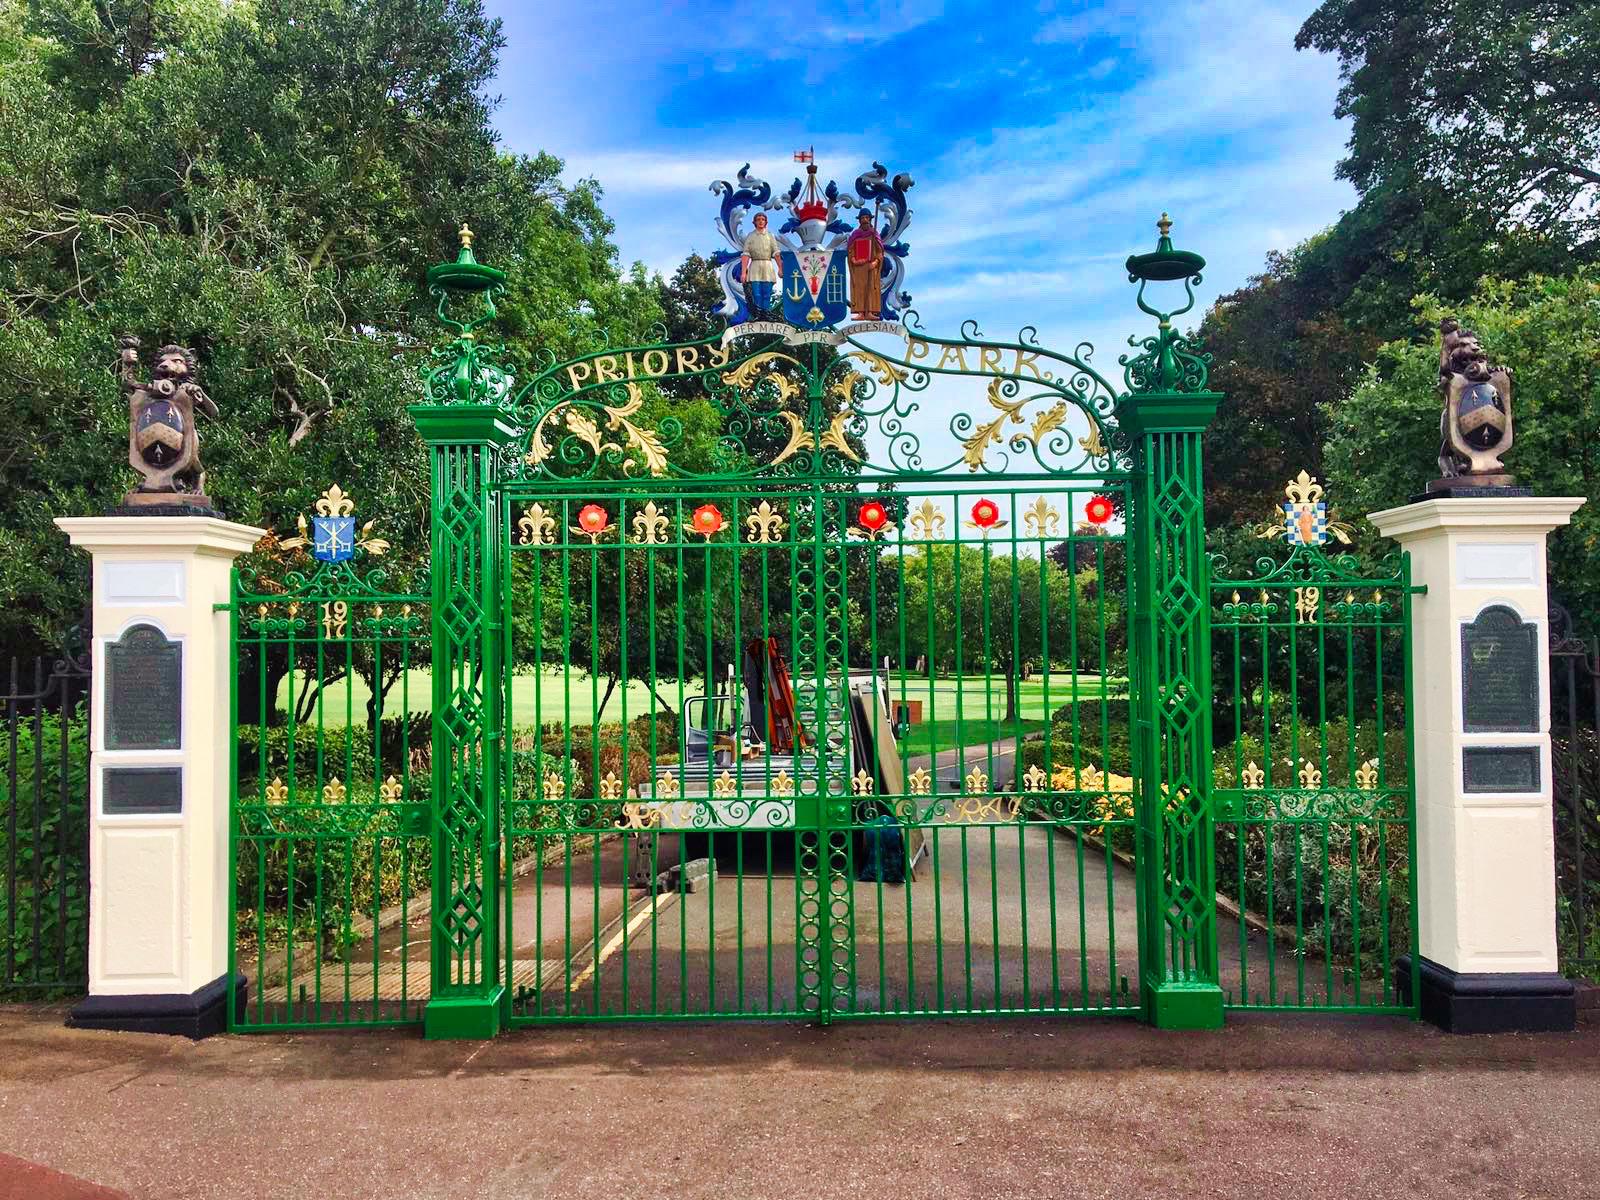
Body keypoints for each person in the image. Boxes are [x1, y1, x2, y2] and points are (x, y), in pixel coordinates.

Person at [740, 211, 781, 313]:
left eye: (763, 219)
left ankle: (766, 313)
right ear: (754, 222)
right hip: (755, 266)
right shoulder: (751, 236)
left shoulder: (770, 236)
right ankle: (758, 314)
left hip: (767, 266)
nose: (761, 222)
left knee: (767, 293)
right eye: (758, 220)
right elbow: (746, 254)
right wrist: (743, 272)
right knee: (756, 293)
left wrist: (780, 267)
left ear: (766, 222)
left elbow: (776, 252)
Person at [846, 209, 884, 319]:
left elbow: (880, 251)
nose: (865, 220)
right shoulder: (856, 234)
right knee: (859, 288)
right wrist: (852, 259)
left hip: (871, 266)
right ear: (859, 220)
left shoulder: (874, 234)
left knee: (870, 288)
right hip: (858, 267)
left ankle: (870, 312)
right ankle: (860, 312)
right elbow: (850, 250)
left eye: (867, 218)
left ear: (870, 219)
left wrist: (876, 262)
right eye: (862, 218)